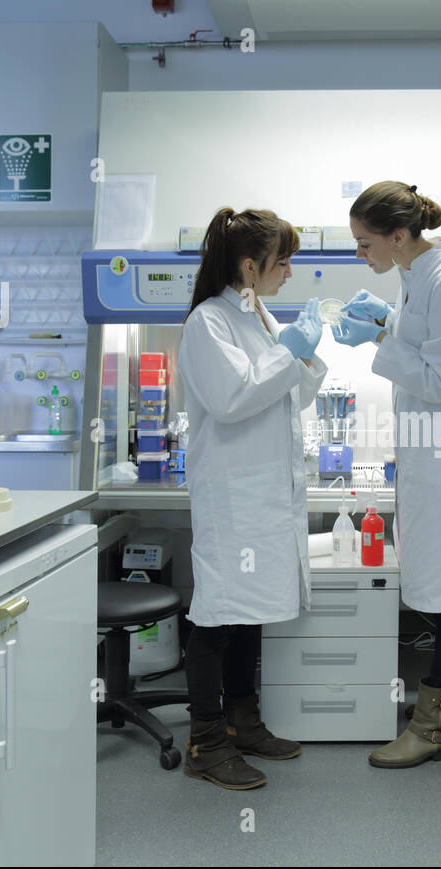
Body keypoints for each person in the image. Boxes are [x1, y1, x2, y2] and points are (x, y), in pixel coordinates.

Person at [333, 181, 441, 769]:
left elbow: (437, 380)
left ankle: (433, 728)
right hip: (431, 460)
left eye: (365, 244)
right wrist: (388, 315)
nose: (362, 255)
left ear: (399, 236)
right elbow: (428, 345)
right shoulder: (418, 274)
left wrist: (381, 336)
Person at [176, 206, 328, 789]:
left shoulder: (258, 314)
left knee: (250, 614)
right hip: (233, 501)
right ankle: (206, 739)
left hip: (265, 497)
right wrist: (289, 351)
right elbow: (235, 397)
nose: (288, 271)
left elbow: (294, 393)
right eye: (281, 261)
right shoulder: (208, 323)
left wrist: (306, 349)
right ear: (249, 265)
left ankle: (243, 719)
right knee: (217, 617)